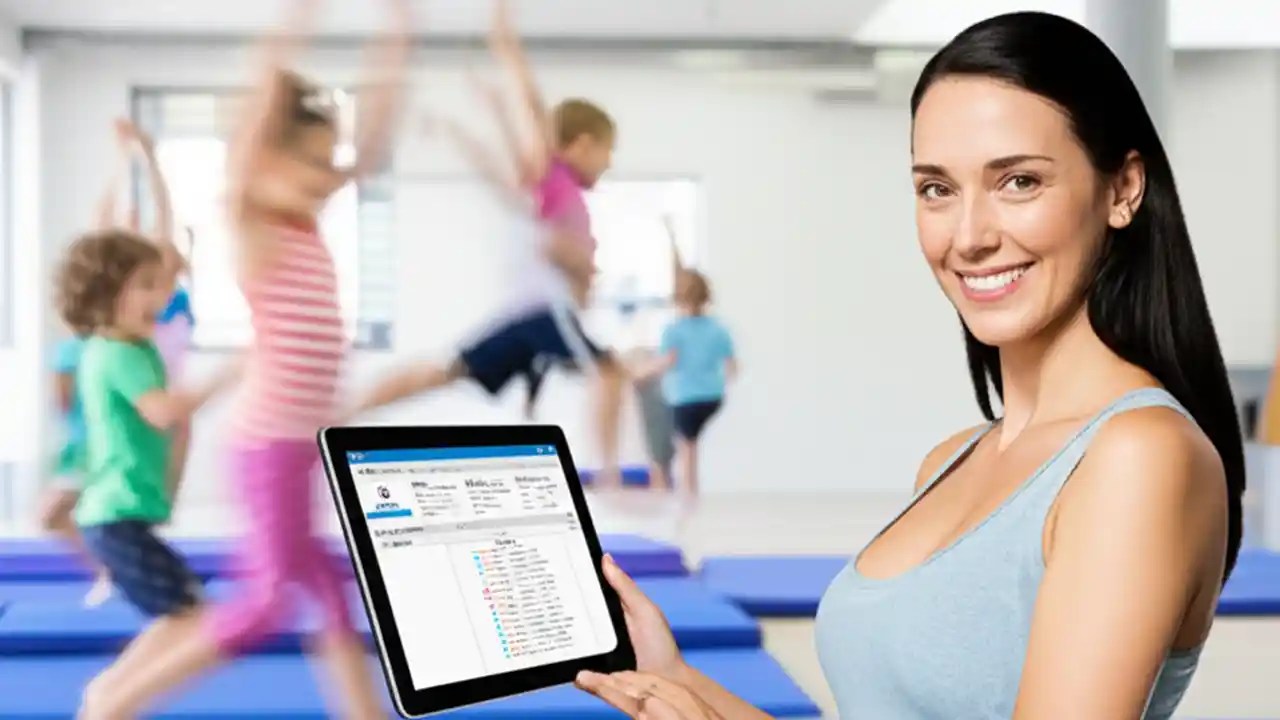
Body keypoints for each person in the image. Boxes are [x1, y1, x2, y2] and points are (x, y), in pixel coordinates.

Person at [574, 12, 1244, 720]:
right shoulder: (950, 461)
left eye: (1018, 181)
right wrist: (681, 679)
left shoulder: (1140, 457)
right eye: (936, 189)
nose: (970, 237)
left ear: (1122, 189)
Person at [77, 1, 411, 718]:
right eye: (313, 162)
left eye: (331, 163)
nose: (329, 177)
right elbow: (261, 96)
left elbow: (374, 144)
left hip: (299, 445)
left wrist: (398, 37)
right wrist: (298, 20)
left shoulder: (306, 220)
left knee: (328, 591)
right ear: (261, 160)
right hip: (269, 446)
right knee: (264, 605)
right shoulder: (251, 222)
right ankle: (114, 704)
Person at [349, 0, 627, 487]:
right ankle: (610, 477)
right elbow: (534, 110)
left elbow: (508, 163)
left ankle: (338, 413)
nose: (608, 162)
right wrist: (505, 42)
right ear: (581, 143)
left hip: (526, 315)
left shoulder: (555, 192)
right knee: (611, 374)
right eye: (607, 150)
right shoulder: (554, 177)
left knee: (445, 371)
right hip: (544, 311)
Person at [56, 230, 236, 718]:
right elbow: (163, 413)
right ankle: (110, 699)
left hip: (119, 515)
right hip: (112, 517)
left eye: (162, 284)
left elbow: (171, 427)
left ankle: (110, 697)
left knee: (189, 613)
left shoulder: (131, 349)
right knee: (191, 616)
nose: (160, 297)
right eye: (146, 285)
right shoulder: (116, 353)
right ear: (104, 294)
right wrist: (231, 372)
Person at [631, 219, 735, 498]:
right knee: (690, 445)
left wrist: (639, 374)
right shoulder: (718, 328)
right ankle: (685, 494)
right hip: (713, 397)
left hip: (686, 398)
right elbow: (731, 367)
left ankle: (689, 501)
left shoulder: (674, 331)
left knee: (687, 451)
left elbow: (667, 361)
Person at [36, 328, 114, 606]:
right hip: (85, 445)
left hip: (93, 446)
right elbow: (64, 404)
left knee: (54, 512)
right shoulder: (74, 349)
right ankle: (109, 571)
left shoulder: (81, 350)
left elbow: (63, 401)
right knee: (58, 514)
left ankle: (110, 572)